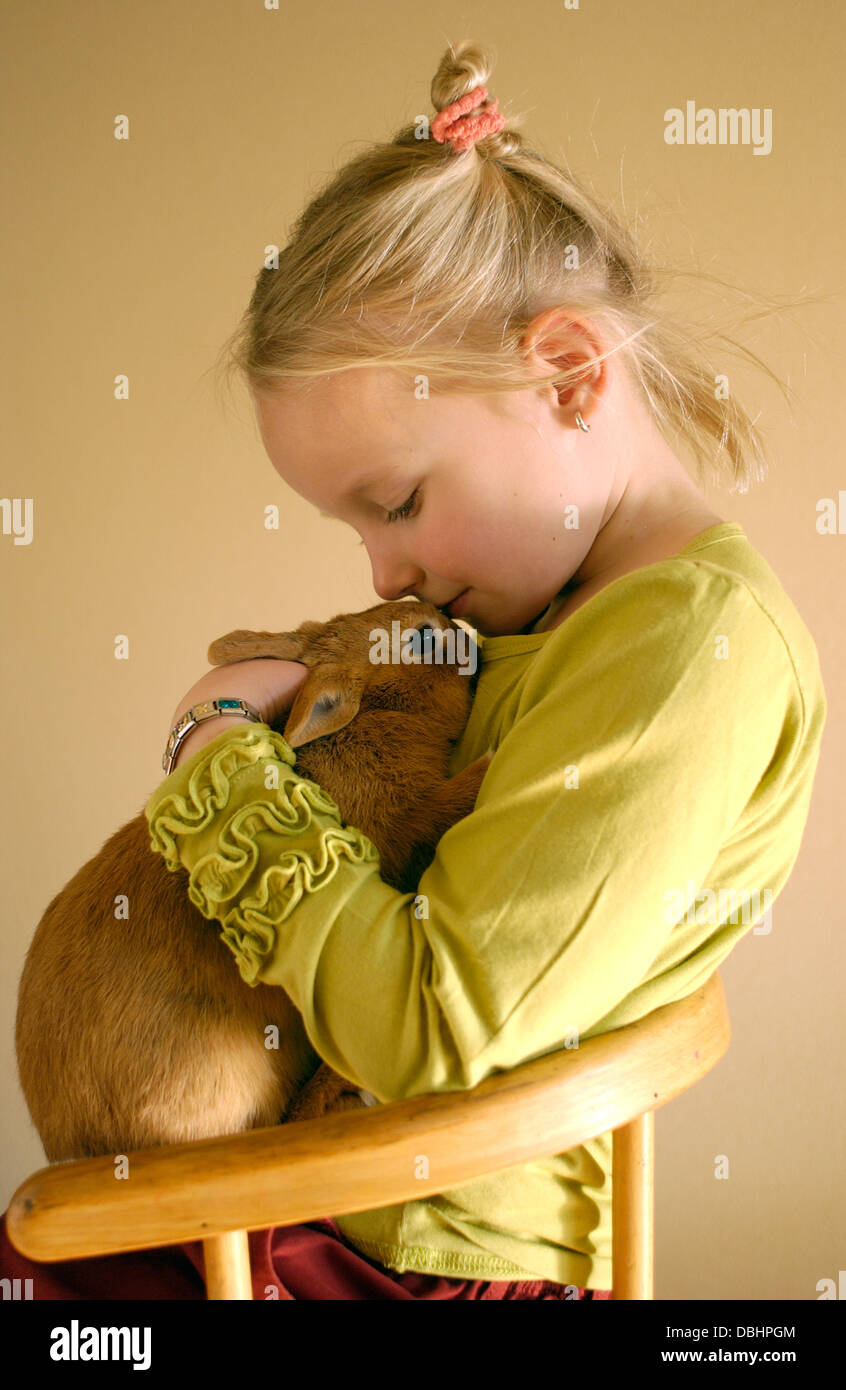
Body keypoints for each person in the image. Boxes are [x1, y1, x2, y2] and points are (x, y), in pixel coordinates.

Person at [4, 38, 827, 1301]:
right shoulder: (542, 615)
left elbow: (432, 1027)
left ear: (564, 375)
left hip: (410, 1260)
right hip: (324, 1200)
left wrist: (220, 752)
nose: (385, 573)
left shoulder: (680, 655)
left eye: (395, 502)